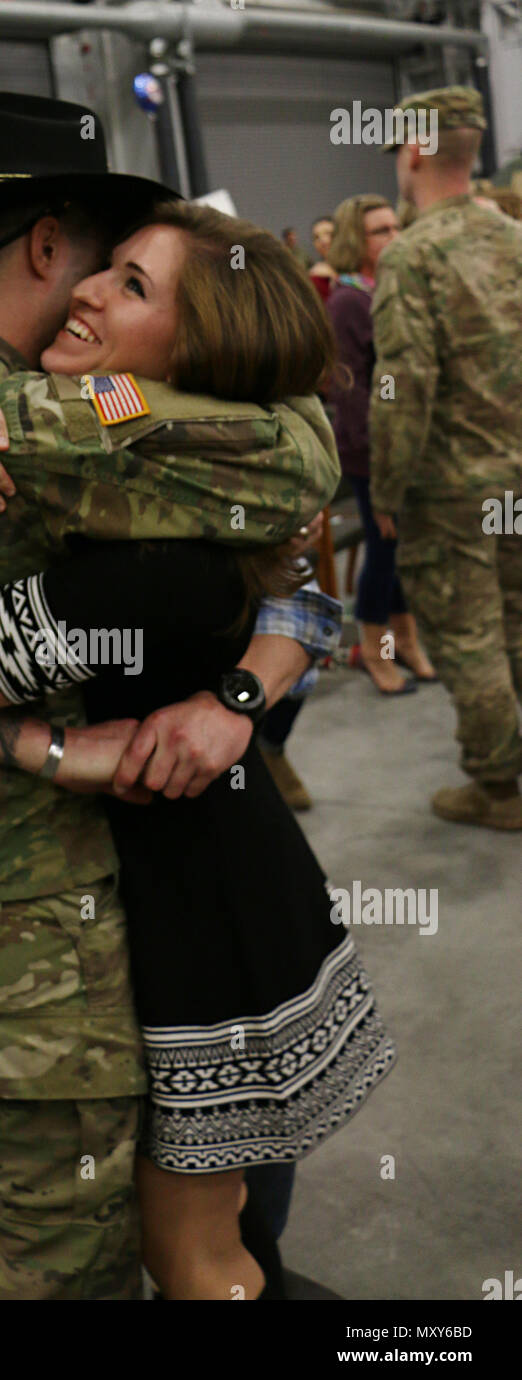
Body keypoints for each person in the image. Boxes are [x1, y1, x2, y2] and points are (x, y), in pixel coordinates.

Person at [0, 93, 393, 1299]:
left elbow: (293, 504)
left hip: (169, 877)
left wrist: (234, 695)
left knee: (182, 1232)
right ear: (47, 242)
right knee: (129, 1223)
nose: (91, 291)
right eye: (106, 261)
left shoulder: (97, 427)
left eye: (131, 286)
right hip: (85, 889)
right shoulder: (45, 414)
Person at [370, 86, 522, 830]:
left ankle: (498, 789)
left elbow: (403, 385)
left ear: (418, 151)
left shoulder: (413, 255)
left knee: (469, 637)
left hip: (452, 488)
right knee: (520, 624)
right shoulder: (514, 241)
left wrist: (387, 489)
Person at [326, 194, 435, 695]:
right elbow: (350, 389)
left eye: (395, 226)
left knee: (400, 548)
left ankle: (406, 641)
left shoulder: (388, 287)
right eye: (380, 230)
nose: (393, 236)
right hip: (371, 450)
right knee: (384, 549)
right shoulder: (349, 298)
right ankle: (375, 649)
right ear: (357, 240)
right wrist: (376, 459)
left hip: (403, 443)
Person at [308, 214, 338, 301]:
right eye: (316, 237)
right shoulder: (317, 277)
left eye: (328, 233)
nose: (322, 240)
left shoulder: (362, 265)